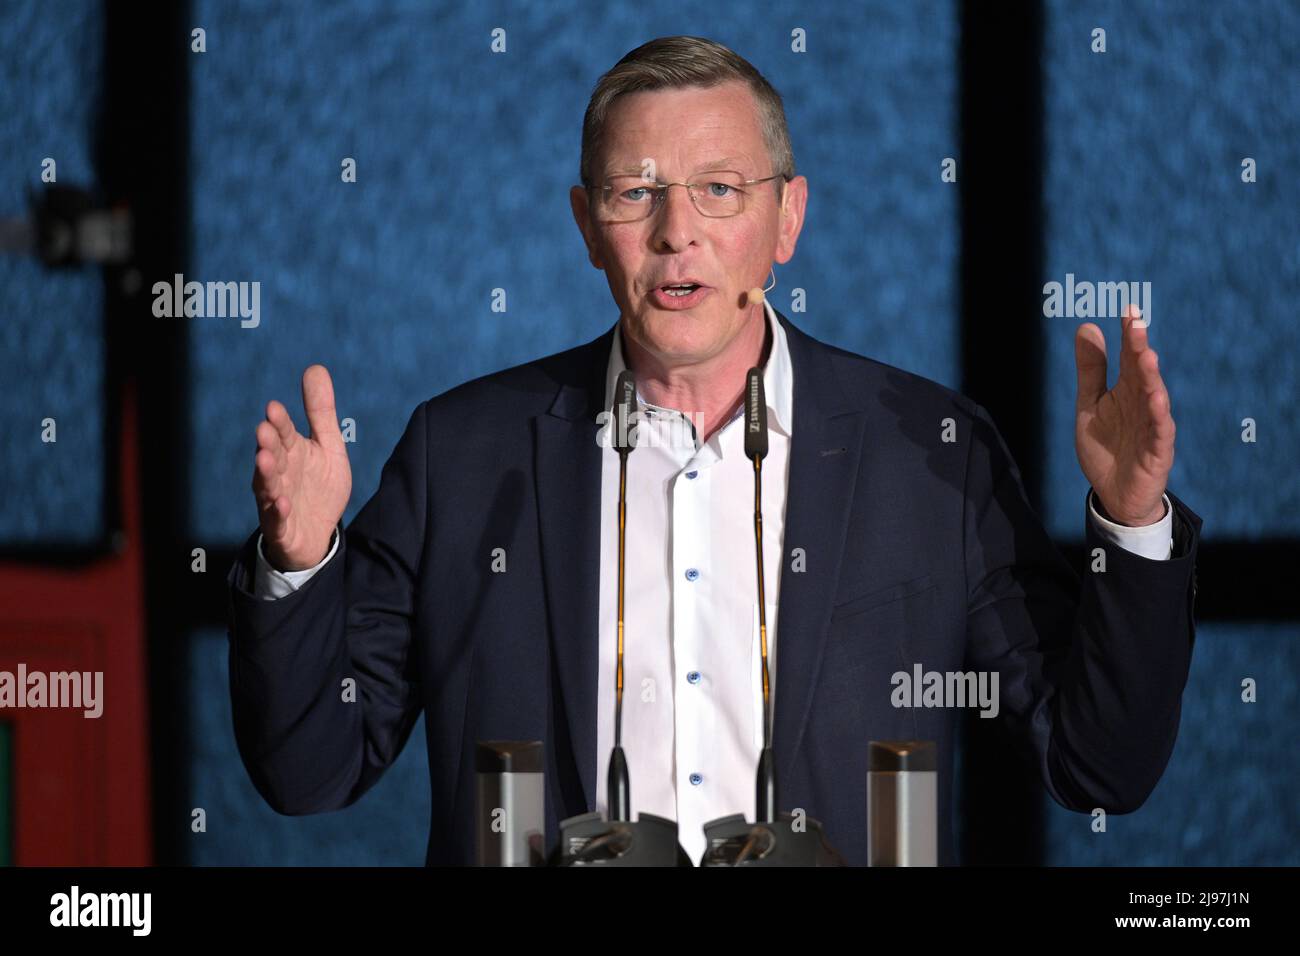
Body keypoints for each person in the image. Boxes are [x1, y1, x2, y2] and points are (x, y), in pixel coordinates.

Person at [227, 36, 1201, 866]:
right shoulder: (462, 451)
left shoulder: (929, 453)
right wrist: (301, 564)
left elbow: (1093, 764)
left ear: (788, 218)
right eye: (634, 192)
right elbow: (311, 772)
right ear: (585, 226)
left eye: (719, 189)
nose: (676, 232)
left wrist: (1132, 522)